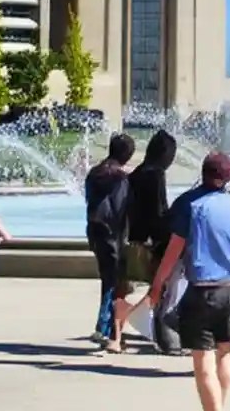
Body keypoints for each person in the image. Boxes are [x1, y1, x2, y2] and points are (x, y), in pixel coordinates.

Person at [150, 153, 230, 411]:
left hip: (202, 291)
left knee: (203, 363)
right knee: (226, 353)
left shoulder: (193, 206)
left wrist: (157, 285)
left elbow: (174, 251)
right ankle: (220, 405)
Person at [127, 129, 180, 353]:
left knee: (156, 287)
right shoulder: (156, 174)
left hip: (136, 236)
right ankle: (164, 335)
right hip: (154, 239)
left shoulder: (137, 172)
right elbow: (159, 210)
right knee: (163, 287)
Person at [85, 133, 136, 344]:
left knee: (108, 278)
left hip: (95, 230)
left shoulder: (94, 173)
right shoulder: (120, 178)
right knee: (112, 280)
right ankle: (103, 328)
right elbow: (123, 207)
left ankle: (108, 327)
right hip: (112, 234)